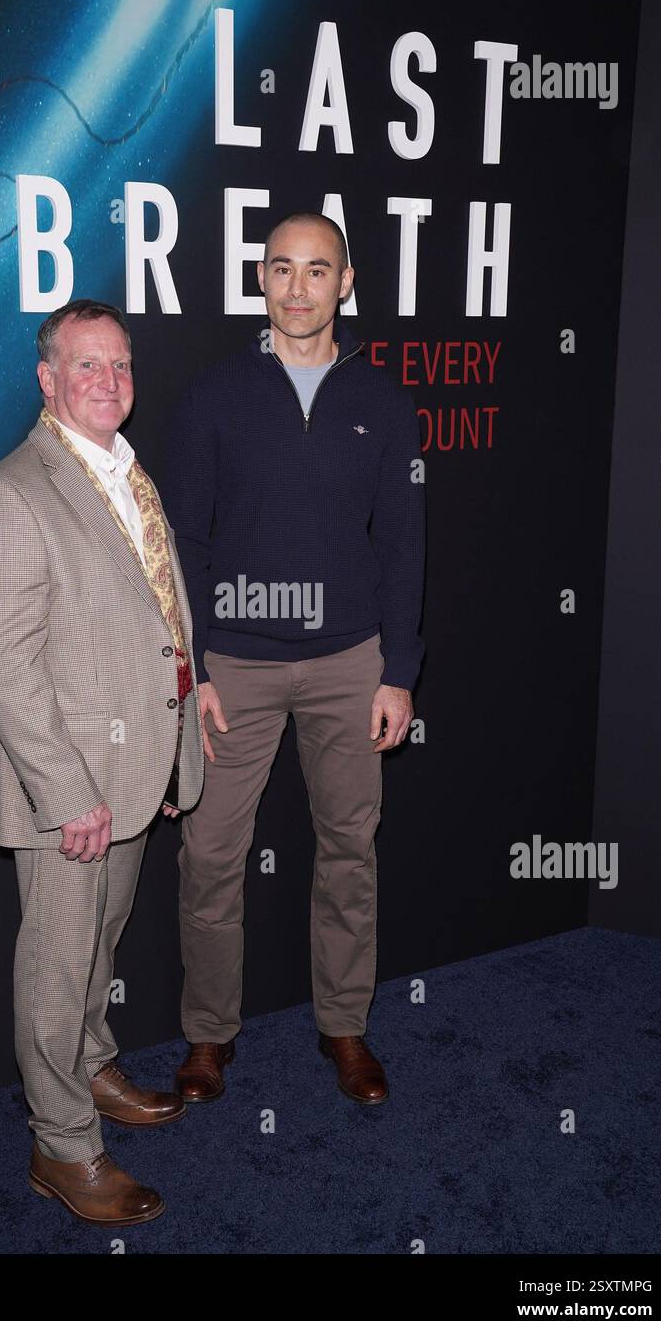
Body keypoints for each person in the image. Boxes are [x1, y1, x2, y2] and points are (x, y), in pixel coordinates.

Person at [159, 213, 426, 1107]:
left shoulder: (386, 403)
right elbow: (183, 540)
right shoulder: (211, 396)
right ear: (261, 280)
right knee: (210, 856)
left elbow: (403, 542)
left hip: (351, 662)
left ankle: (345, 1026)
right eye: (282, 268)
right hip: (235, 663)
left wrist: (400, 669)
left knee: (351, 850)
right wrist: (193, 668)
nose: (299, 287)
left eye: (319, 270)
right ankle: (208, 1037)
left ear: (345, 283)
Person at [0, 299, 203, 1226]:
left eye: (120, 365)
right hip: (69, 787)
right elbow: (5, 669)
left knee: (101, 943)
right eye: (86, 366)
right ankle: (62, 1148)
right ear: (47, 379)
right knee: (56, 966)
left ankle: (94, 1070)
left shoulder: (128, 476)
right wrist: (68, 796)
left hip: (138, 771)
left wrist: (178, 743)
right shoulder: (10, 492)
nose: (108, 382)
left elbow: (158, 621)